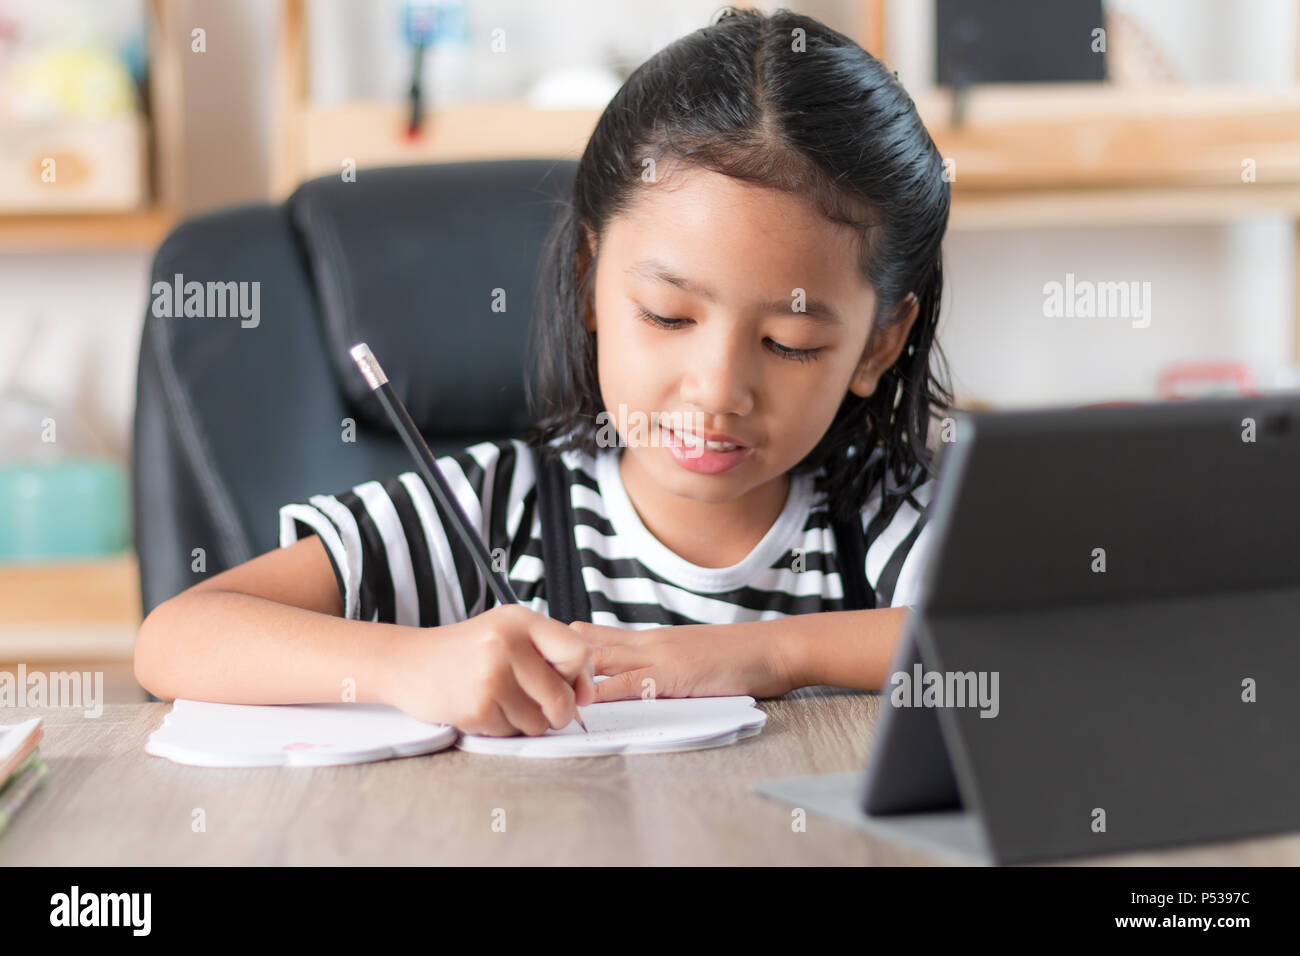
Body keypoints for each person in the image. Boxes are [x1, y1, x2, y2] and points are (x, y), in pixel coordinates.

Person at [135, 7, 953, 737]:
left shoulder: (881, 514)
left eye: (788, 342)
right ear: (589, 281)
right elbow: (177, 637)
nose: (716, 389)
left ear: (878, 344)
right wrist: (409, 665)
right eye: (668, 316)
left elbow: (1007, 643)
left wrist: (764, 654)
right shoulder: (495, 509)